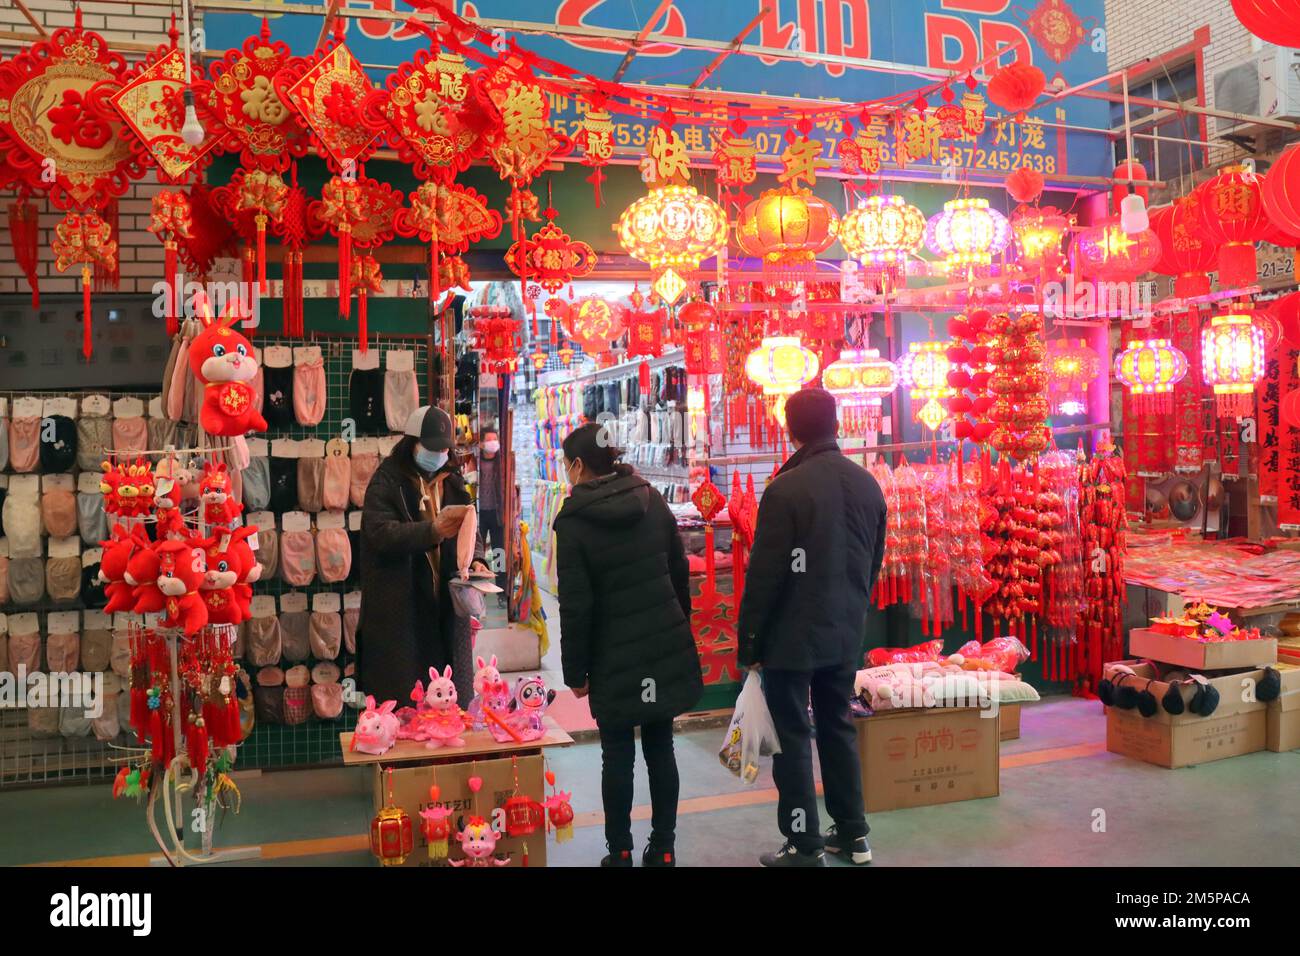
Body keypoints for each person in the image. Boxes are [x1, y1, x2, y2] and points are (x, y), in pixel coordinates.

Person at [737, 387, 887, 868]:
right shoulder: (868, 485)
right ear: (837, 424)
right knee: (838, 727)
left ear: (791, 429)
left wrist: (751, 642)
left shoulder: (786, 489)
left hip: (791, 638)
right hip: (845, 633)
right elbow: (872, 565)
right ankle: (853, 836)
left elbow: (765, 575)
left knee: (794, 737)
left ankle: (804, 846)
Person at [553, 422, 703, 867]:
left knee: (616, 753)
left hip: (611, 653)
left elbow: (576, 606)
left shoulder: (575, 522)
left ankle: (619, 850)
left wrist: (575, 672)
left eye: (567, 464)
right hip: (661, 643)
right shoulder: (651, 499)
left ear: (578, 465)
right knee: (661, 745)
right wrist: (677, 628)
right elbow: (679, 571)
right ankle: (664, 847)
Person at [358, 405, 488, 705]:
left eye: (444, 449)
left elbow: (472, 527)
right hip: (401, 611)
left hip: (446, 607)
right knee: (403, 701)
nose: (439, 455)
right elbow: (380, 533)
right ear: (411, 443)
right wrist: (432, 531)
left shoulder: (453, 481)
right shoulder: (387, 481)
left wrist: (477, 557)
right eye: (432, 448)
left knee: (449, 699)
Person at [476, 428, 508, 604]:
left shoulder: (501, 463)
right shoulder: (475, 461)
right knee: (477, 554)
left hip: (496, 514)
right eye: (489, 440)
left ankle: (501, 591)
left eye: (495, 439)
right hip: (480, 513)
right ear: (481, 444)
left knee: (499, 553)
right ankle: (478, 591)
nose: (492, 443)